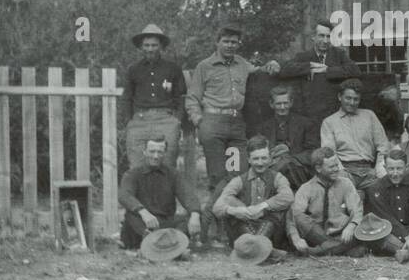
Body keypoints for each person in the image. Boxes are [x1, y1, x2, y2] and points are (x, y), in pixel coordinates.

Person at [185, 24, 281, 194]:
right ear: (217, 42)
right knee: (217, 175)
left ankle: (236, 214)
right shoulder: (204, 66)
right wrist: (198, 120)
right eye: (226, 41)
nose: (230, 45)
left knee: (238, 172)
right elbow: (193, 97)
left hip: (236, 124)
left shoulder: (242, 64)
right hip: (213, 123)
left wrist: (272, 64)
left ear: (238, 44)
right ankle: (217, 216)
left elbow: (261, 70)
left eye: (234, 42)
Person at [116, 136, 202, 253]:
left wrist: (195, 214)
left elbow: (188, 195)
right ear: (145, 152)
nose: (155, 156)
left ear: (164, 153)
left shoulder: (173, 174)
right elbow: (124, 195)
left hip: (164, 222)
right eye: (152, 151)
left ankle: (159, 245)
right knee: (131, 216)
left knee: (187, 219)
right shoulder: (132, 174)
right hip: (142, 223)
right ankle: (166, 245)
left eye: (159, 152)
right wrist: (143, 212)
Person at [122, 24, 187, 171]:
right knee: (137, 166)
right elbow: (127, 97)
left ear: (161, 46)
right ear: (141, 47)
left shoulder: (173, 68)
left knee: (167, 164)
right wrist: (128, 121)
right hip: (139, 121)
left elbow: (181, 96)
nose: (150, 49)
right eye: (146, 45)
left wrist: (177, 120)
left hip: (166, 121)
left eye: (154, 45)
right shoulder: (133, 69)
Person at [212, 136, 294, 247]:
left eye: (264, 158)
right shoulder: (239, 180)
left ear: (270, 158)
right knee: (230, 200)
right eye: (256, 159)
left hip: (270, 230)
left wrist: (262, 206)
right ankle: (260, 249)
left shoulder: (278, 178)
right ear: (249, 160)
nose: (260, 163)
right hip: (245, 227)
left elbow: (288, 197)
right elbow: (217, 207)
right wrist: (235, 211)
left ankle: (256, 249)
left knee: (270, 222)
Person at [286, 148, 364, 256]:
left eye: (337, 165)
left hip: (340, 233)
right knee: (299, 216)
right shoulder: (306, 188)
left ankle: (316, 251)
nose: (337, 169)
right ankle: (340, 248)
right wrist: (296, 239)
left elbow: (356, 209)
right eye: (332, 166)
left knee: (361, 230)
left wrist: (351, 226)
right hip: (316, 235)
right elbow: (293, 217)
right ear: (318, 168)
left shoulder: (346, 183)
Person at [319, 78, 390, 189]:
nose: (352, 103)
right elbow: (329, 153)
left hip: (369, 171)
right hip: (345, 171)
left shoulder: (369, 116)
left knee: (385, 192)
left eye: (356, 99)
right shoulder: (329, 122)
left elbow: (383, 145)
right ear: (339, 97)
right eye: (348, 98)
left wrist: (379, 168)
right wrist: (341, 173)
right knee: (345, 196)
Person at [258, 84, 318, 188]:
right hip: (272, 167)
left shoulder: (305, 124)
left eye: (285, 103)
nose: (282, 107)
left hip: (299, 169)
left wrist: (289, 158)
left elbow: (312, 152)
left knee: (288, 165)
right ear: (271, 104)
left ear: (291, 103)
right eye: (278, 104)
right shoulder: (264, 127)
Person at [278, 17, 362, 81]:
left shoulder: (339, 54)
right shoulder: (303, 56)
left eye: (328, 37)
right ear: (313, 37)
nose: (325, 41)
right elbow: (286, 69)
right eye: (321, 36)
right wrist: (310, 66)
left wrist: (327, 70)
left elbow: (355, 70)